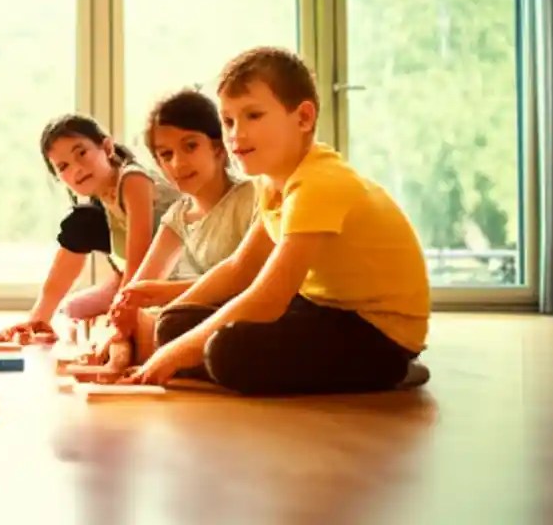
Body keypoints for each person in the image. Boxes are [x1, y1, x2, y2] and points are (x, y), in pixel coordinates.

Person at [119, 47, 430, 394]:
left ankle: (392, 371)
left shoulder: (319, 182)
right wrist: (168, 319)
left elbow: (269, 297)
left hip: (378, 332)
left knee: (227, 350)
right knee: (176, 325)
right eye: (228, 121)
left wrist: (177, 353)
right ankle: (200, 357)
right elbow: (239, 268)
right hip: (322, 310)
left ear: (303, 118)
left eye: (253, 115)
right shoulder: (271, 184)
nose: (236, 133)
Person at [82, 88, 256, 369]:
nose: (178, 163)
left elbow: (250, 283)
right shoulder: (179, 214)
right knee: (141, 317)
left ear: (218, 146)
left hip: (247, 311)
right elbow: (140, 284)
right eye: (166, 154)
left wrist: (163, 295)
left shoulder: (251, 196)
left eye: (190, 146)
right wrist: (121, 316)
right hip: (200, 313)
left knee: (168, 324)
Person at [0, 114, 179, 343]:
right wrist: (39, 318)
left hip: (174, 274)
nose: (77, 169)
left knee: (126, 328)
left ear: (107, 147)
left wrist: (120, 314)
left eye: (81, 153)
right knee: (72, 309)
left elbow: (139, 262)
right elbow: (121, 265)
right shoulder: (100, 197)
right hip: (140, 279)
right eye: (63, 167)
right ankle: (38, 320)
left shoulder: (133, 180)